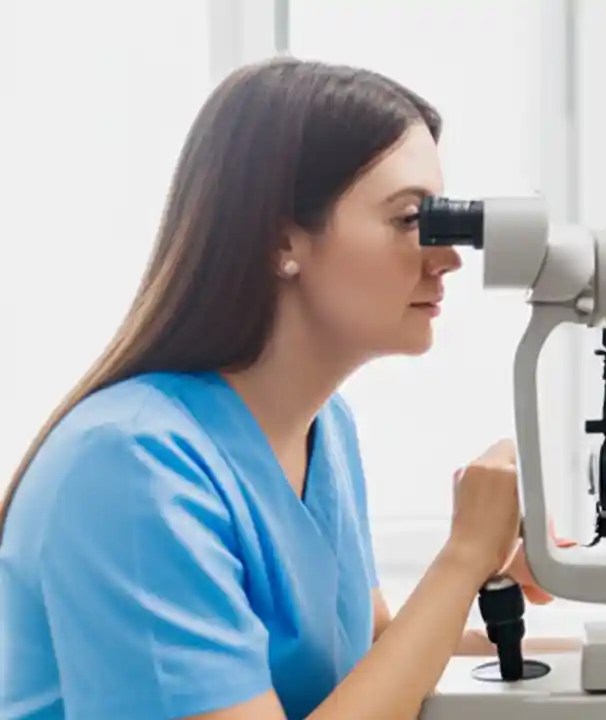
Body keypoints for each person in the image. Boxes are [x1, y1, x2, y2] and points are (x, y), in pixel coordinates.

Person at [0, 58, 573, 720]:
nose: (447, 259)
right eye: (411, 219)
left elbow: (366, 664)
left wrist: (496, 577)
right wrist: (462, 557)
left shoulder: (325, 429)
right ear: (281, 240)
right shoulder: (130, 469)